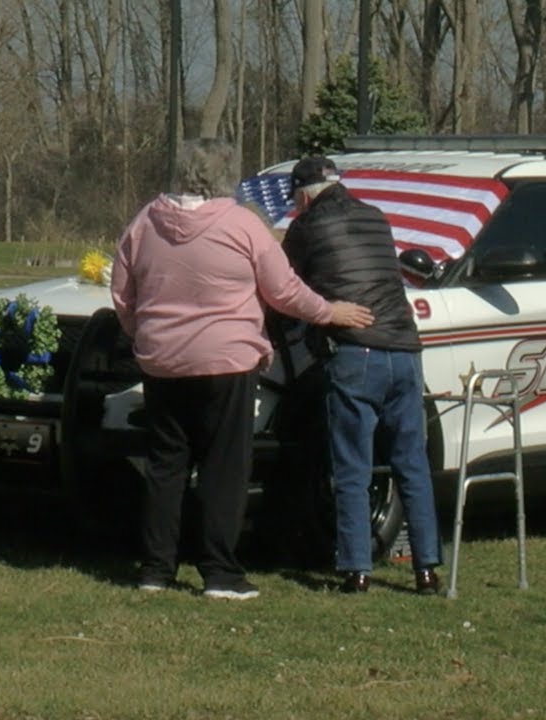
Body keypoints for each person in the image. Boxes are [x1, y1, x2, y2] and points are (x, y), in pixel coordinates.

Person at [110, 140, 374, 600]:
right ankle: (219, 573)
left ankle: (156, 568)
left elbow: (122, 291)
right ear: (224, 175)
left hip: (161, 359)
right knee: (223, 467)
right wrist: (330, 312)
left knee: (166, 466)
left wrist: (142, 333)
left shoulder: (144, 222)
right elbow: (284, 291)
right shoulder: (241, 224)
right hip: (226, 358)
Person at [282, 155, 443, 595]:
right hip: (406, 351)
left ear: (303, 194)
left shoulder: (305, 228)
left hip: (357, 352)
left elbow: (284, 286)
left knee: (352, 465)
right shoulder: (376, 218)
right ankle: (427, 569)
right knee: (411, 463)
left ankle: (356, 570)